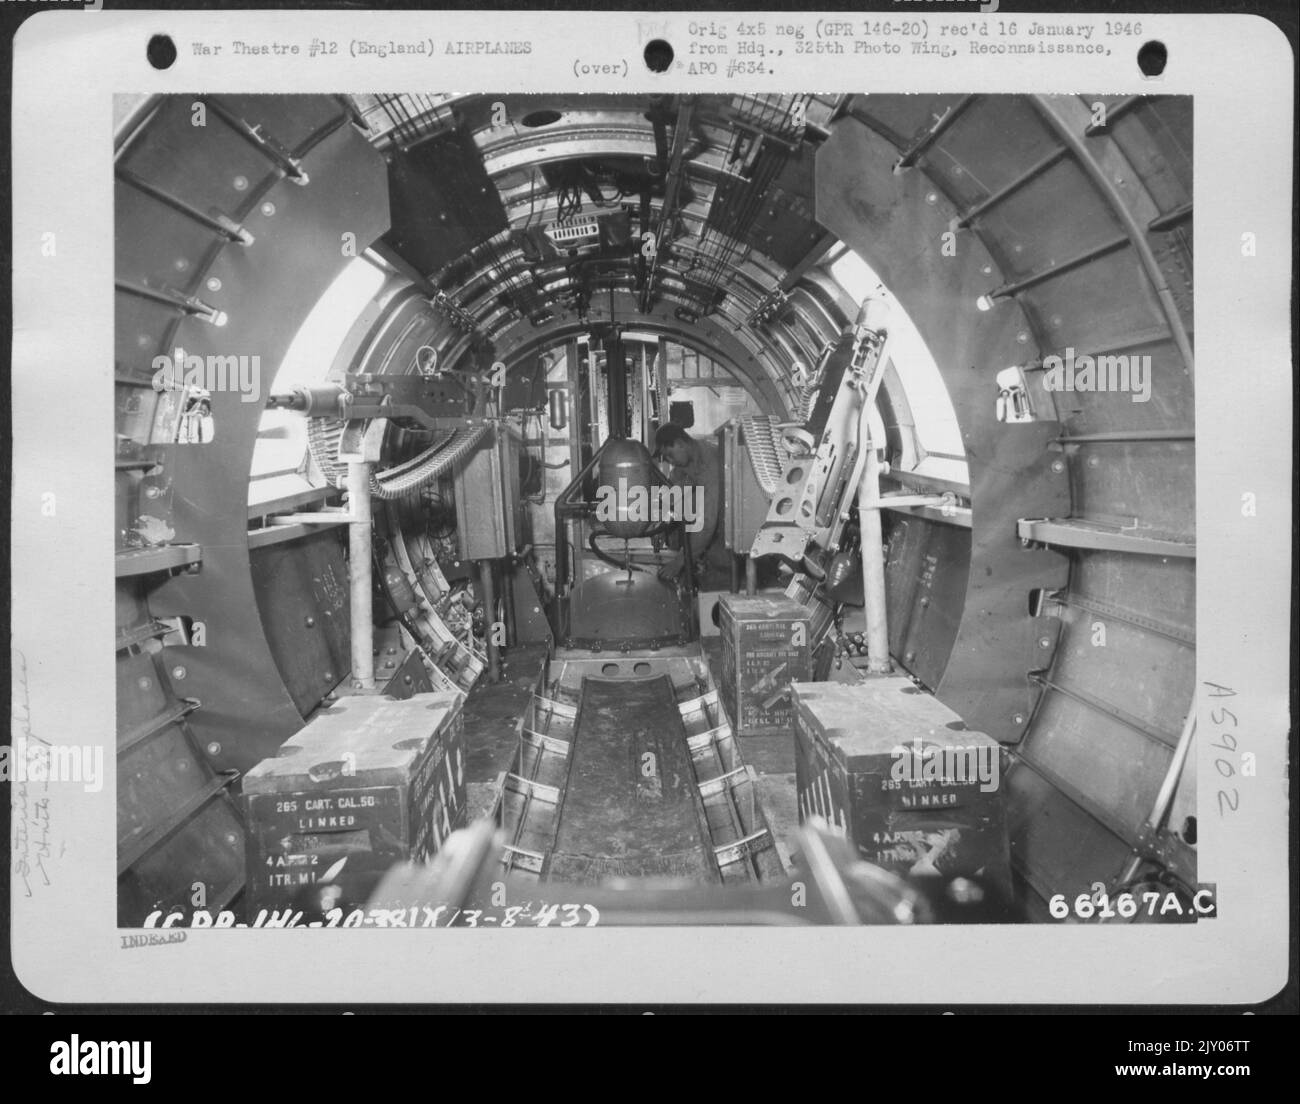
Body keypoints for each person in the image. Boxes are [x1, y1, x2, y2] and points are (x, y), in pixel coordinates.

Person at [652, 423, 723, 584]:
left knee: (716, 577)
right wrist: (660, 527)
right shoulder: (684, 464)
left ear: (681, 443)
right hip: (708, 536)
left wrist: (679, 562)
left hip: (725, 535)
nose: (670, 461)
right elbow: (670, 497)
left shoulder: (710, 464)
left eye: (670, 455)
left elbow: (706, 524)